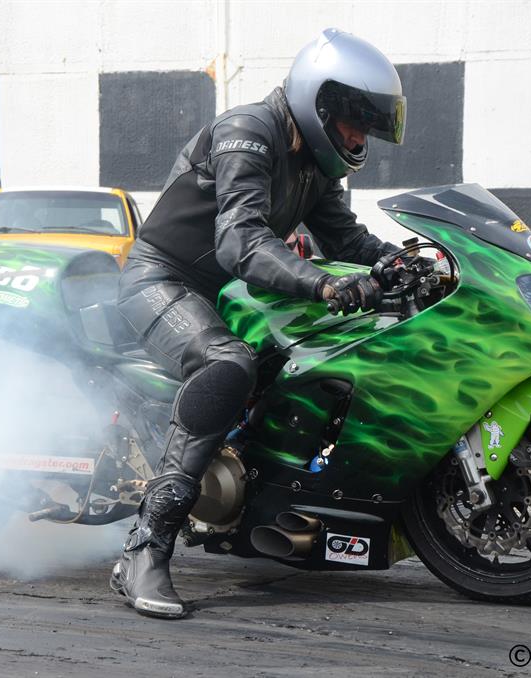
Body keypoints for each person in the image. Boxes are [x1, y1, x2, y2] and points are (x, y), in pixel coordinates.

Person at [110, 28, 408, 618]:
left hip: (222, 292)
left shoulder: (316, 164)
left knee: (315, 347)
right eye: (352, 120)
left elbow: (345, 236)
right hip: (163, 281)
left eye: (366, 126)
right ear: (317, 103)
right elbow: (241, 240)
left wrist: (398, 260)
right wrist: (324, 282)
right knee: (229, 364)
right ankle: (144, 549)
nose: (357, 136)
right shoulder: (248, 132)